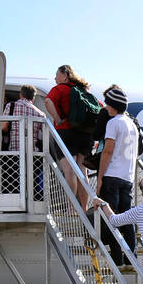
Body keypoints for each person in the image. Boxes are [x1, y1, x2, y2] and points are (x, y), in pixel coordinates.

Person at [96, 84, 138, 265]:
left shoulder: (113, 123)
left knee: (111, 218)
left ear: (113, 105)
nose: (105, 107)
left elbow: (107, 151)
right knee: (126, 218)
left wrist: (99, 177)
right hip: (127, 177)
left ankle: (116, 257)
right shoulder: (132, 125)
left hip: (112, 175)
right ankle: (131, 256)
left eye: (107, 104)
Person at [45, 65, 95, 205]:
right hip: (85, 134)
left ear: (65, 75)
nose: (55, 78)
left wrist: (57, 119)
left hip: (66, 132)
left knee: (69, 171)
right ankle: (84, 207)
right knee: (82, 171)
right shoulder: (83, 90)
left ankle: (72, 208)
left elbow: (48, 101)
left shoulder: (59, 89)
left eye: (57, 74)